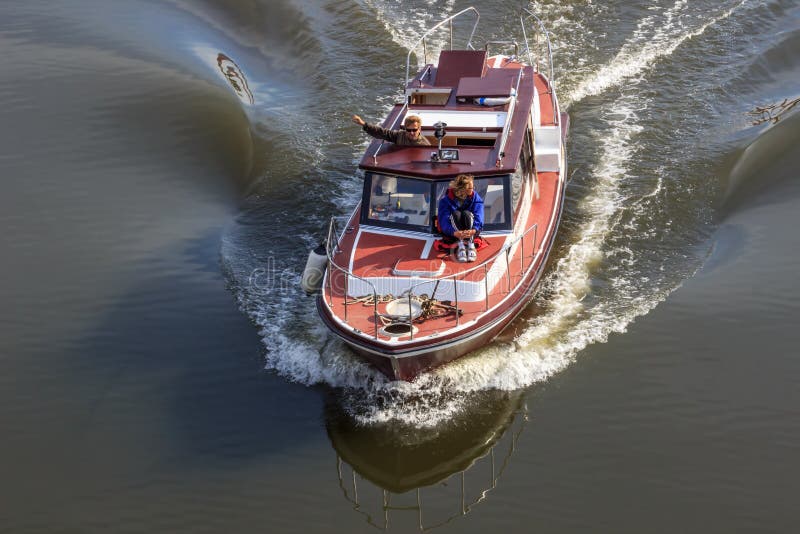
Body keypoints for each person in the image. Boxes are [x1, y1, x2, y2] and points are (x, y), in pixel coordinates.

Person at [437, 174, 484, 262]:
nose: (473, 189)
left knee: (466, 213)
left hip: (471, 232)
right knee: (456, 214)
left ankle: (471, 245)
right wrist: (455, 233)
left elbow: (479, 215)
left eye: (473, 187)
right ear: (463, 190)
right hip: (454, 234)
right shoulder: (445, 201)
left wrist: (474, 230)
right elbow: (444, 221)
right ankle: (461, 245)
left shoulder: (475, 197)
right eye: (471, 188)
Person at [352, 114, 431, 146]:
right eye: (409, 130)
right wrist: (363, 124)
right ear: (405, 129)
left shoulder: (425, 145)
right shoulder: (399, 136)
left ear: (419, 129)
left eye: (414, 130)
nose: (412, 133)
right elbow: (381, 132)